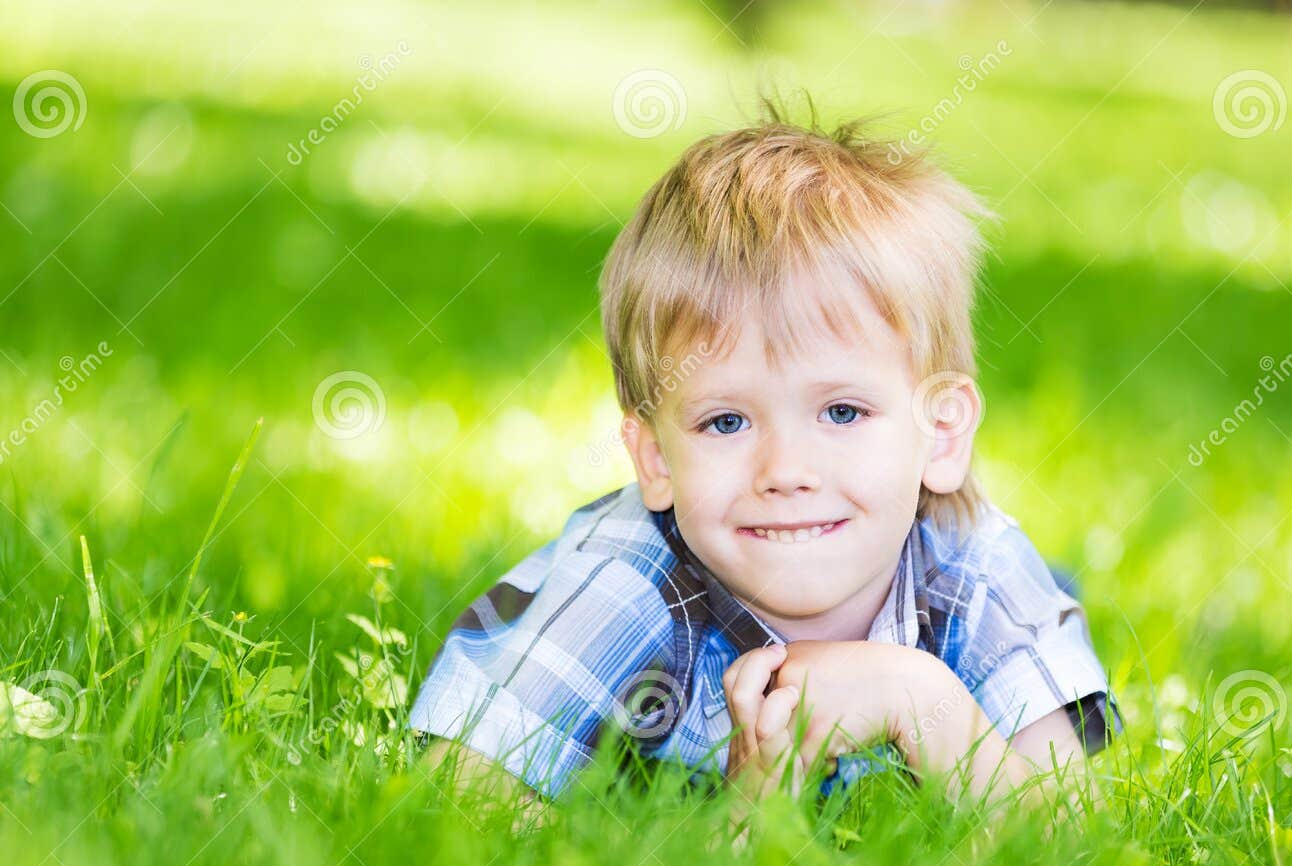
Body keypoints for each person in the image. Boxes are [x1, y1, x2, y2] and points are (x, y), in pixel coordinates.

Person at [409, 98, 1118, 823]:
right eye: (725, 420)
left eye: (842, 411)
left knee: (1045, 613)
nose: (785, 469)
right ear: (655, 458)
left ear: (940, 433)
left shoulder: (979, 574)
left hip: (962, 603)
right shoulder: (629, 582)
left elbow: (1065, 835)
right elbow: (458, 793)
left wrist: (916, 695)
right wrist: (732, 829)